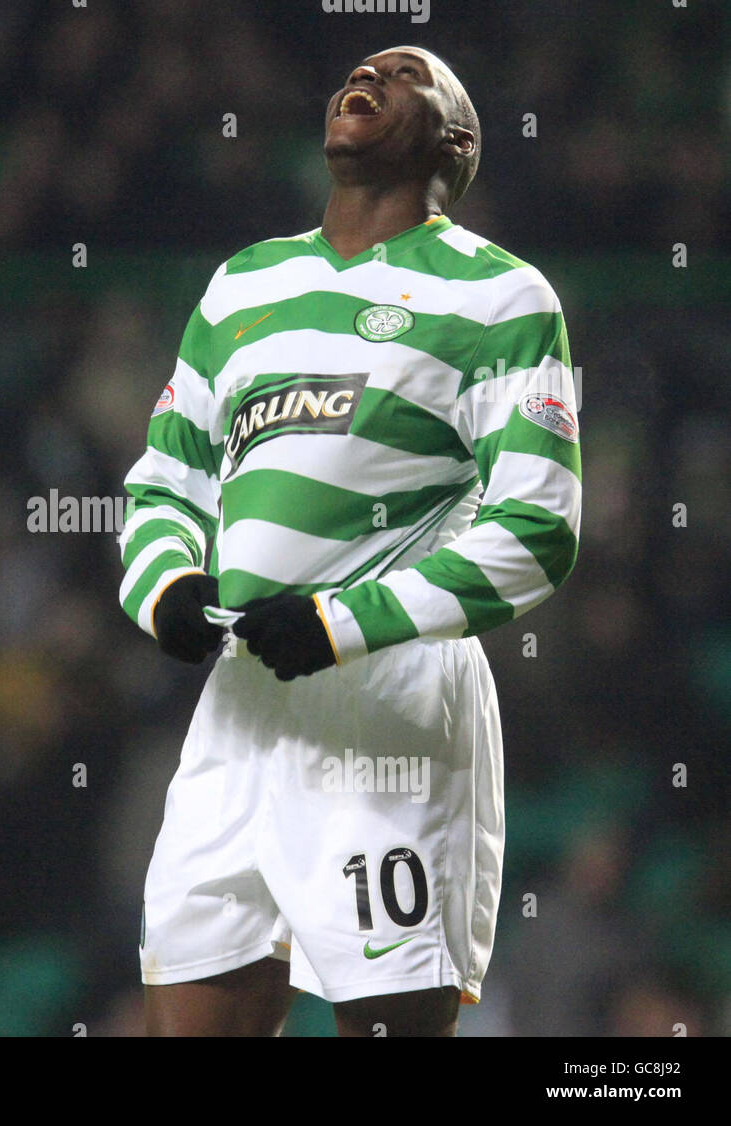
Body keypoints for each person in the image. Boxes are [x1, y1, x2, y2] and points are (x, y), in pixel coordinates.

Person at [118, 46, 581, 1036]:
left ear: (454, 140)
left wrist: (341, 622)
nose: (363, 78)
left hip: (393, 709)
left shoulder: (500, 297)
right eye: (357, 70)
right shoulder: (244, 284)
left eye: (404, 74)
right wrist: (165, 588)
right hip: (242, 704)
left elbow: (537, 526)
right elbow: (170, 476)